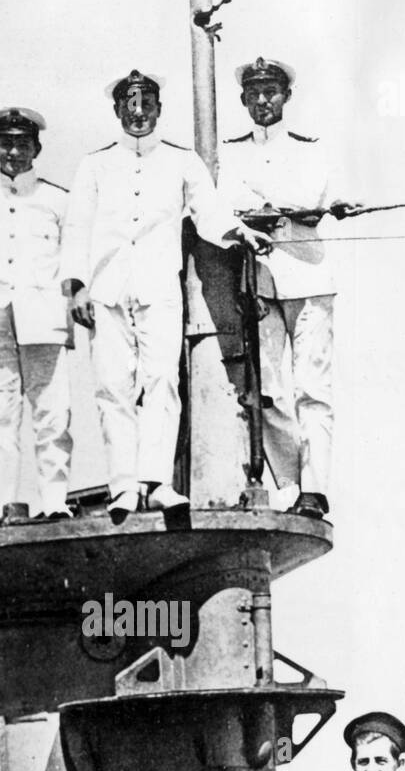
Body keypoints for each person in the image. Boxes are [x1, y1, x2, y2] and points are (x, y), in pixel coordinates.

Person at [61, 69, 269, 521]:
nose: (138, 114)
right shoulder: (94, 165)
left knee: (161, 381)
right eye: (129, 106)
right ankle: (123, 486)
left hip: (159, 285)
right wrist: (75, 286)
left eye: (146, 105)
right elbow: (76, 227)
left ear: (159, 109)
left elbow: (209, 212)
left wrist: (240, 233)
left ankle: (155, 483)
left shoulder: (181, 160)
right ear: (117, 111)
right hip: (108, 287)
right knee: (113, 386)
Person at [217, 57, 360, 518]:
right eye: (254, 93)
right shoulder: (230, 151)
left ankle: (315, 489)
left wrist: (265, 206)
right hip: (259, 280)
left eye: (271, 92)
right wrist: (265, 208)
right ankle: (290, 485)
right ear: (243, 100)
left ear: (286, 97)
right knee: (269, 389)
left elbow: (315, 199)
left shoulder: (310, 149)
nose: (262, 101)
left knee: (313, 389)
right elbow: (226, 203)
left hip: (309, 276)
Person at [0, 107, 73, 528]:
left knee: (51, 412)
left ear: (36, 149)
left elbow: (67, 261)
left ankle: (55, 497)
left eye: (22, 144)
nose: (13, 152)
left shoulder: (56, 200)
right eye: (6, 143)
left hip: (43, 316)